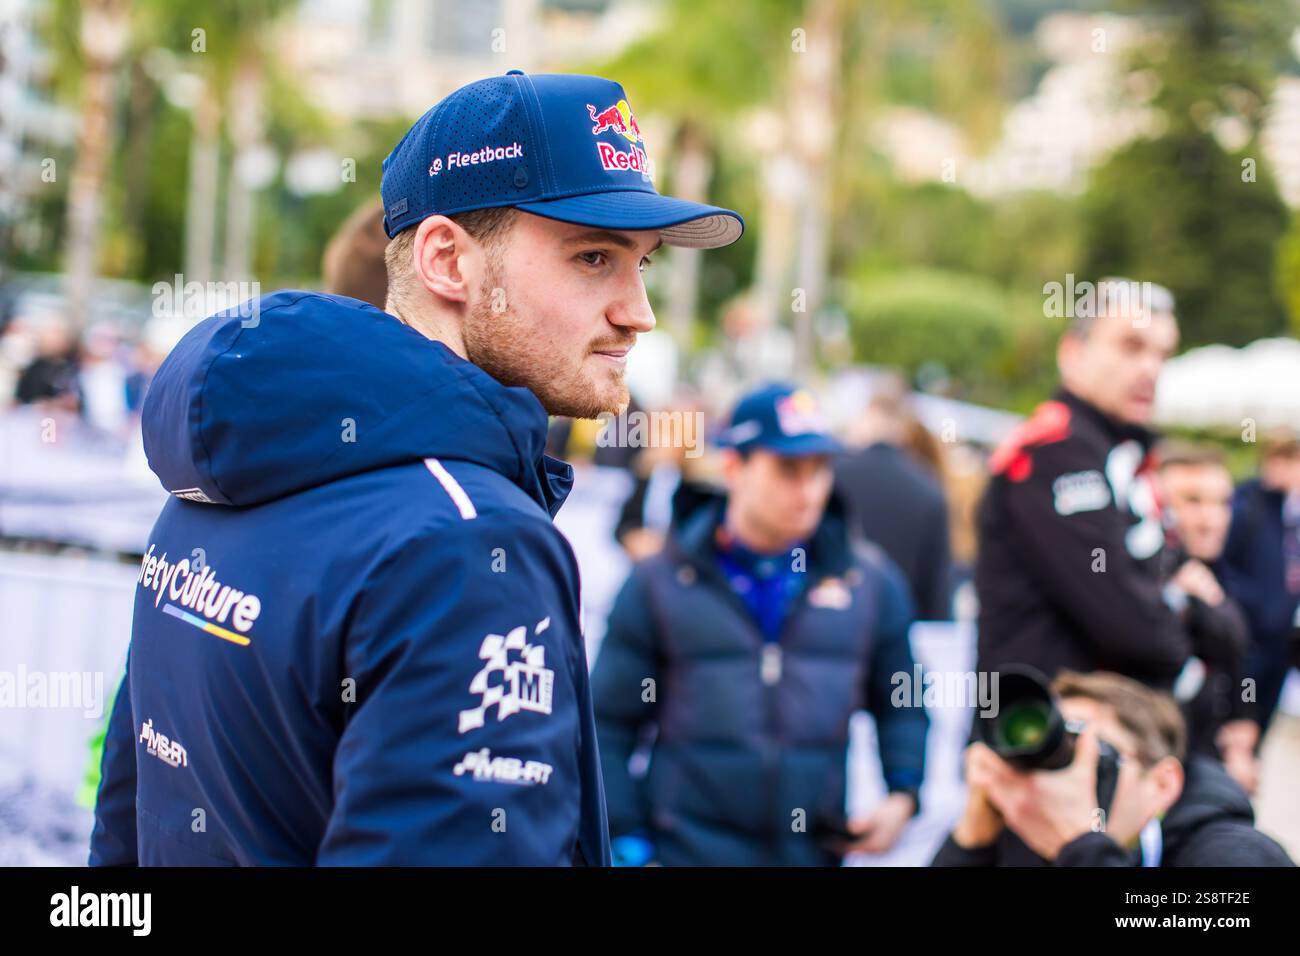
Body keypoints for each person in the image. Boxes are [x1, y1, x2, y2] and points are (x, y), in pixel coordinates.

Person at [89, 69, 743, 866]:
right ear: (447, 260)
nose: (637, 312)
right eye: (594, 258)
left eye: (643, 265)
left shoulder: (219, 480)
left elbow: (124, 833)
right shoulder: (469, 544)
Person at [592, 383, 928, 866]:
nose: (809, 490)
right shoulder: (659, 581)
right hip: (686, 853)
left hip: (811, 854)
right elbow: (607, 724)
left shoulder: (869, 583)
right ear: (734, 468)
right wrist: (628, 842)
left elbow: (903, 702)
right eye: (788, 469)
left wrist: (903, 793)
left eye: (821, 469)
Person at [975, 279, 1230, 692]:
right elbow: (1130, 625)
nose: (1150, 369)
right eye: (1131, 346)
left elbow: (1199, 595)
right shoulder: (1055, 451)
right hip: (1042, 730)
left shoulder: (1125, 451)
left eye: (1163, 354)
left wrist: (1190, 613)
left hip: (1116, 726)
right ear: (1073, 353)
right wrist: (1188, 613)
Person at [933, 670, 1293, 867]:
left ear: (1162, 784)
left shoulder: (1233, 854)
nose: (1060, 784)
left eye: (1093, 755)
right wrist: (971, 841)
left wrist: (1081, 847)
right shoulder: (1026, 844)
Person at [1157, 443, 1255, 792]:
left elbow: (1239, 659)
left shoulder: (1222, 572)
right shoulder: (1139, 584)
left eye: (1221, 503)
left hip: (1205, 761)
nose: (1211, 520)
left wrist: (1243, 726)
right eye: (1193, 501)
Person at [835, 376, 953, 620]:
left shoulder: (833, 478)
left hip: (840, 626)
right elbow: (937, 594)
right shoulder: (929, 491)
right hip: (902, 632)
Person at [1217, 428, 1300, 735]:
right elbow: (1222, 564)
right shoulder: (1247, 506)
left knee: (1262, 718)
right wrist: (1253, 604)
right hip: (1250, 636)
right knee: (1241, 717)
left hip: (1281, 639)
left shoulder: (1289, 509)